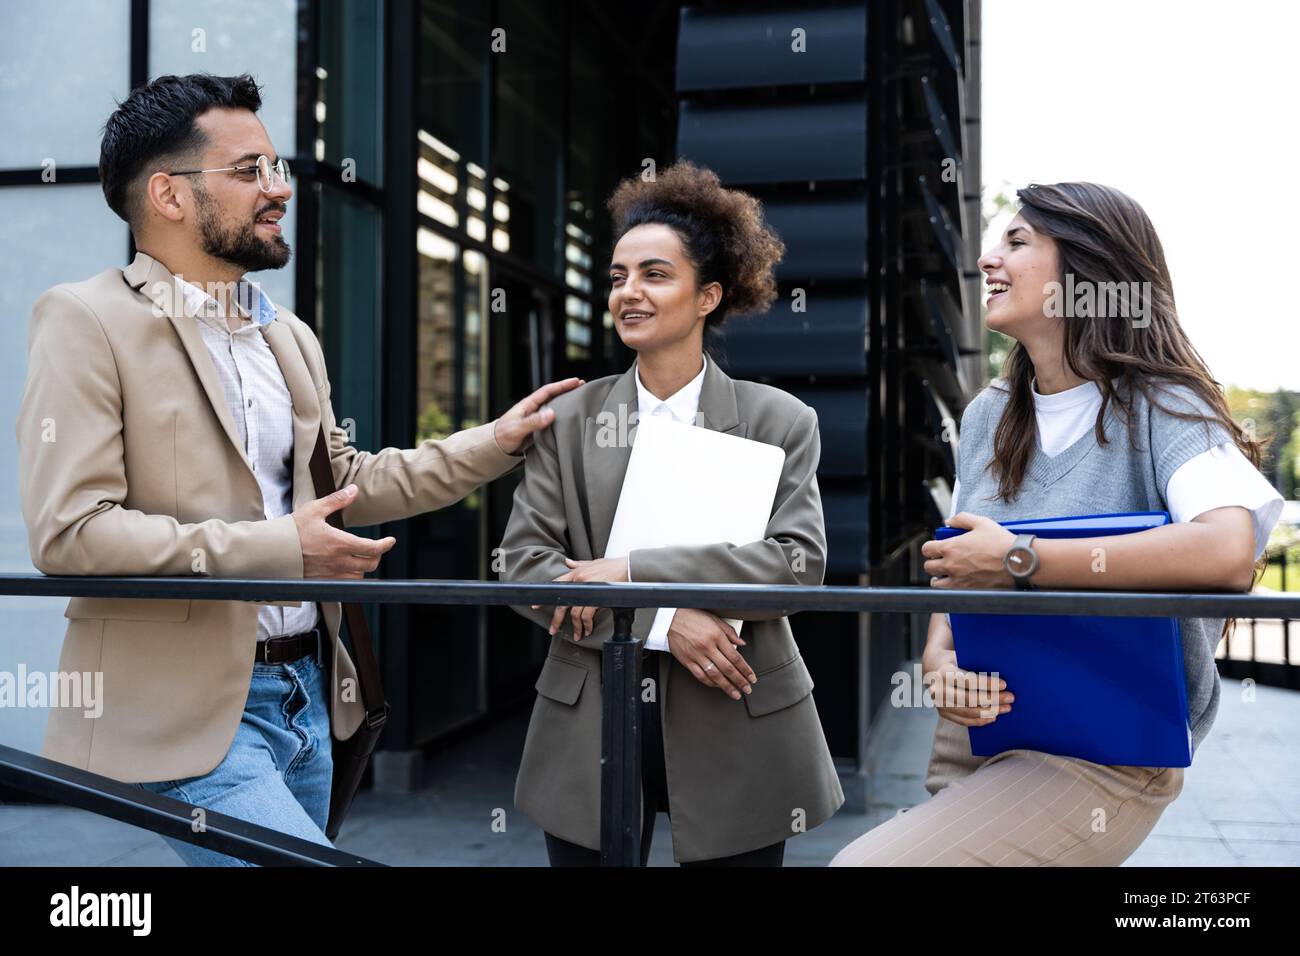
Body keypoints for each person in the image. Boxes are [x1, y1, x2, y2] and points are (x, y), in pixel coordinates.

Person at [15, 73, 582, 866]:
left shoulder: (289, 337)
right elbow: (71, 534)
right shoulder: (87, 319)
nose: (279, 189)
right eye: (249, 171)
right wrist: (281, 547)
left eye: (277, 167)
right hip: (183, 712)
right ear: (168, 195)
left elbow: (351, 482)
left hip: (310, 700)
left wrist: (494, 442)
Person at [831, 182, 1282, 866]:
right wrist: (937, 659)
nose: (988, 258)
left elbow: (1228, 547)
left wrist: (1022, 558)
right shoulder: (989, 413)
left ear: (1088, 273)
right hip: (977, 731)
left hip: (1100, 752)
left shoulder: (1165, 403)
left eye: (1016, 243)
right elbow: (964, 558)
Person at [497, 160, 844, 866]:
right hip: (589, 720)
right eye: (619, 276)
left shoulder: (781, 420)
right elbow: (523, 567)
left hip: (737, 718)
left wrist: (630, 572)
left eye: (655, 275)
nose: (630, 292)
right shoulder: (566, 419)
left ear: (708, 294)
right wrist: (659, 617)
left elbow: (796, 565)